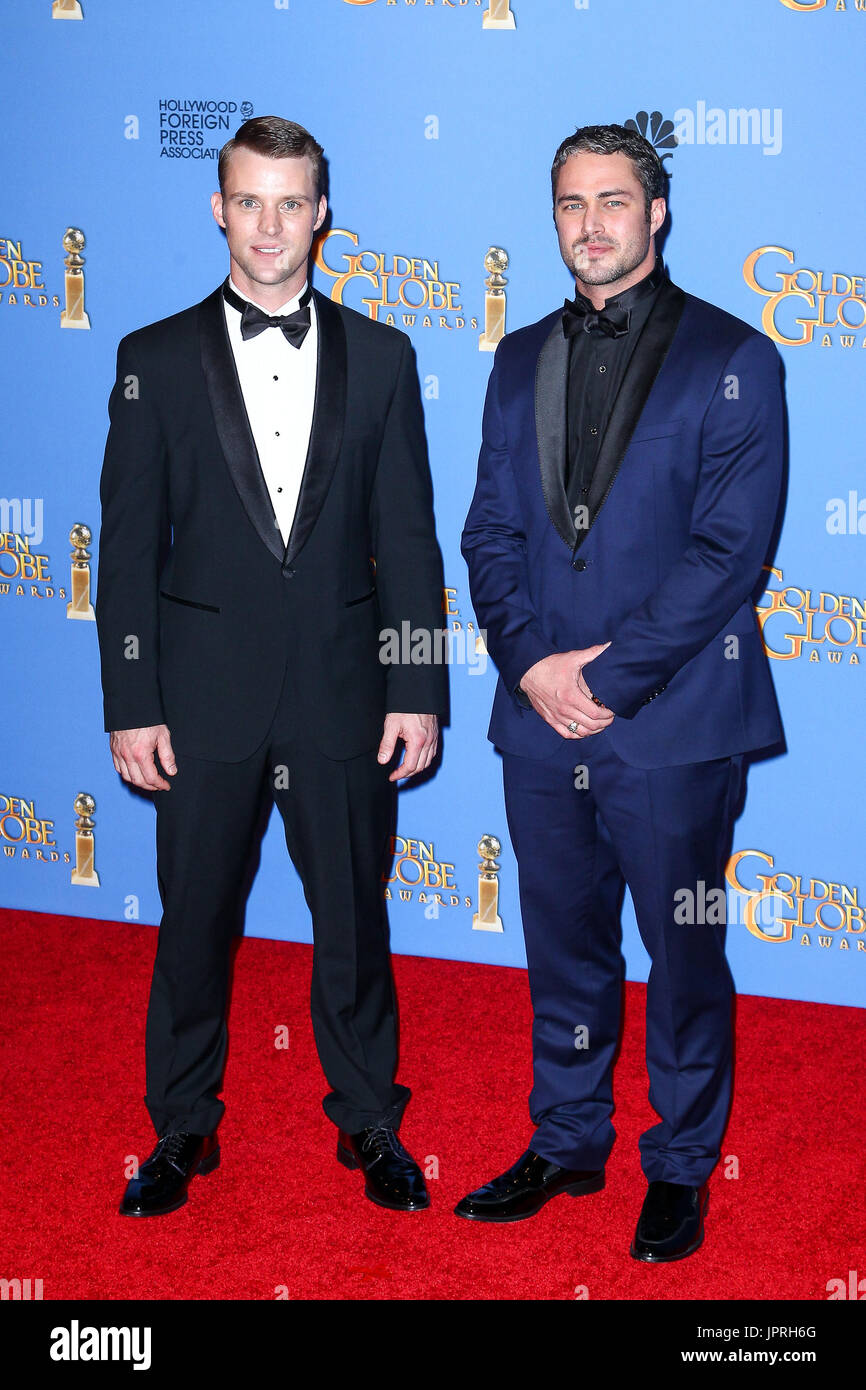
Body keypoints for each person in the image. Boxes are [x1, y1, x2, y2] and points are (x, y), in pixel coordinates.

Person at [96, 116, 447, 1218]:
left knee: (353, 921)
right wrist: (131, 699)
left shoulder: (384, 357)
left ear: (322, 213)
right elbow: (124, 551)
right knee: (193, 919)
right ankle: (181, 1128)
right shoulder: (151, 359)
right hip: (199, 700)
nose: (269, 225)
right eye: (249, 200)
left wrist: (417, 685)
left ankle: (370, 1121)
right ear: (218, 207)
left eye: (291, 202)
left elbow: (413, 539)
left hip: (345, 693)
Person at [459, 124, 784, 1261]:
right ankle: (567, 1140)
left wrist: (604, 675)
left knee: (682, 949)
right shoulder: (513, 358)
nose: (587, 224)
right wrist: (528, 665)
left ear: (655, 211)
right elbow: (489, 532)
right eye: (566, 204)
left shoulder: (735, 356)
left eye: (610, 200)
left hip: (674, 719)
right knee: (564, 946)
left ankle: (684, 1162)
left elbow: (728, 555)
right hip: (539, 717)